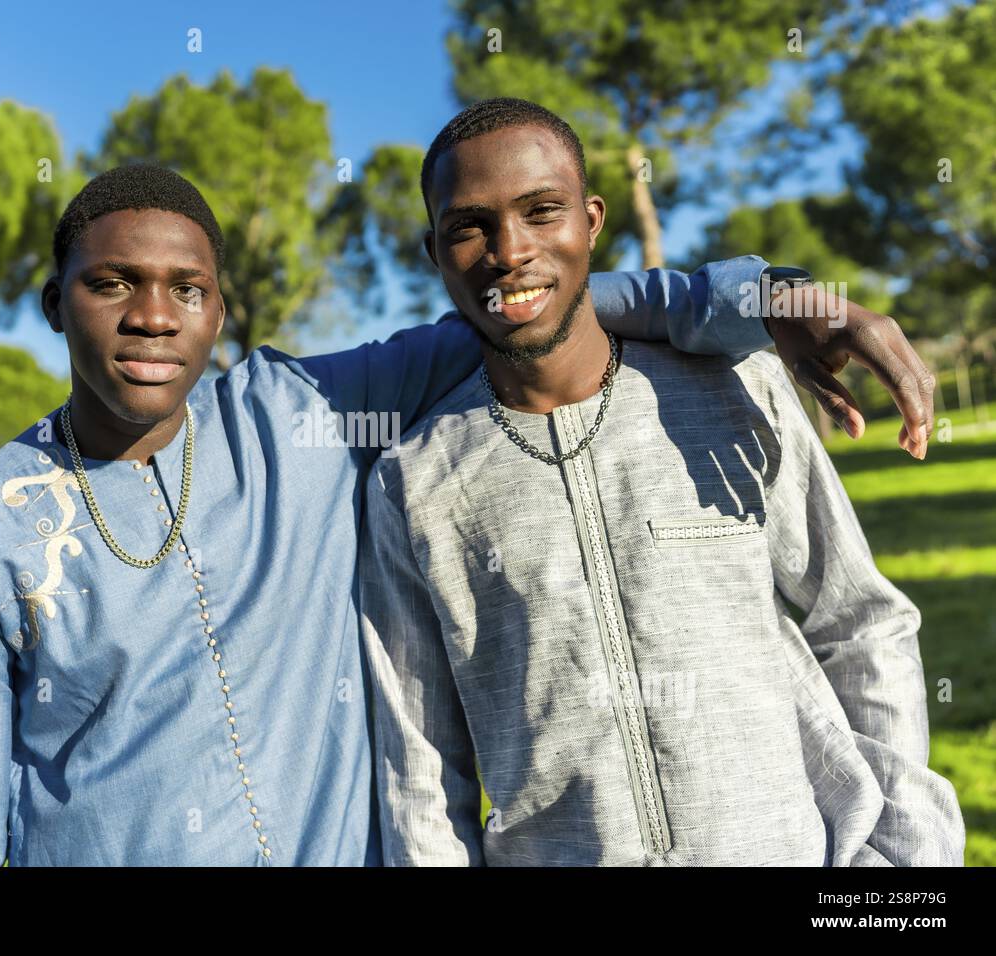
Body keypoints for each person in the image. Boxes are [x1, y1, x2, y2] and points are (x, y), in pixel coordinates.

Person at [0, 159, 936, 866]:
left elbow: (534, 299)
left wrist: (780, 298)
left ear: (221, 308)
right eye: (111, 283)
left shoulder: (301, 413)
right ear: (53, 303)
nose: (153, 315)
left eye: (188, 287)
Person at [359, 98, 964, 866]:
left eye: (542, 211)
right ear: (434, 251)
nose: (509, 251)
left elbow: (859, 624)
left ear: (592, 220)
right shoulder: (412, 482)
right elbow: (420, 768)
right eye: (469, 226)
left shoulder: (740, 389)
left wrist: (908, 857)